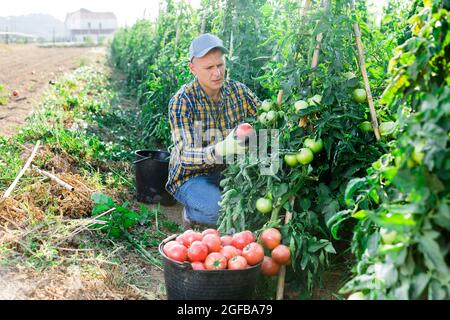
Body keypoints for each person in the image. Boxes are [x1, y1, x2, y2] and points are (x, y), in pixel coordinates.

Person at [165, 33, 260, 229]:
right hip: (191, 177)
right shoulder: (182, 101)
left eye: (220, 65)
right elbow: (184, 156)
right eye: (209, 67)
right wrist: (221, 149)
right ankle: (192, 211)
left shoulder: (239, 92)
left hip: (229, 173)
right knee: (223, 212)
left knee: (252, 211)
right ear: (192, 68)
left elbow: (266, 118)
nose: (217, 73)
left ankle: (209, 206)